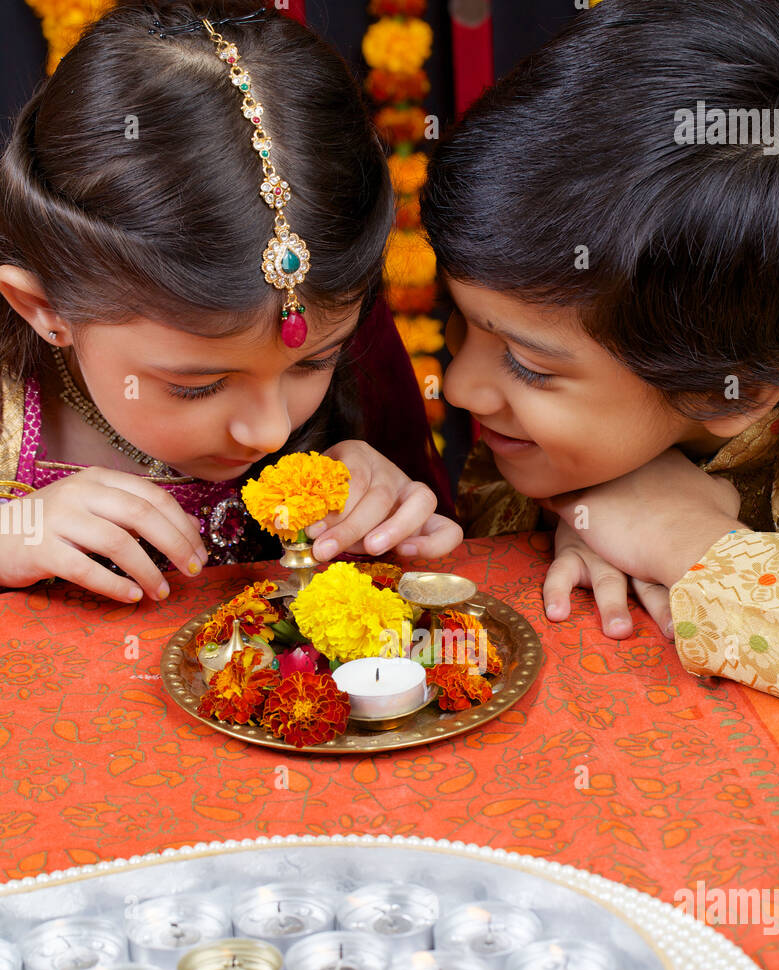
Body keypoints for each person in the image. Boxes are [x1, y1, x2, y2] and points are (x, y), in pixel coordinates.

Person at [421, 0, 779, 731]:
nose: (463, 387)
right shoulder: (553, 424)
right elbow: (493, 502)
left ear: (735, 390)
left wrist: (686, 544)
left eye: (528, 367)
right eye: (458, 320)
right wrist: (583, 516)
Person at [0, 0, 460, 606]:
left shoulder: (336, 321)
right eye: (198, 385)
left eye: (313, 362)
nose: (269, 431)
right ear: (44, 309)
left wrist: (383, 519)